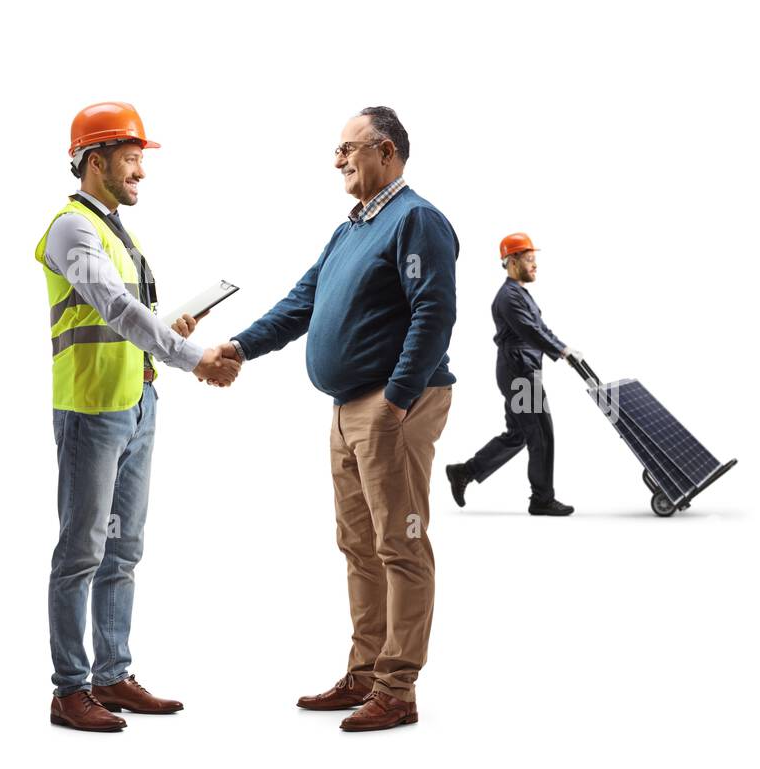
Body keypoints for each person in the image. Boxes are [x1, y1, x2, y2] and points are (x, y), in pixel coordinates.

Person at [221, 107, 458, 732]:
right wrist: (239, 347)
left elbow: (434, 313)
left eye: (346, 148)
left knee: (399, 542)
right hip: (350, 406)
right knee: (358, 544)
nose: (337, 160)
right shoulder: (351, 229)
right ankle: (364, 672)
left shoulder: (418, 220)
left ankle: (397, 687)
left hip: (393, 405)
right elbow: (303, 300)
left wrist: (398, 399)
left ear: (384, 150)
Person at [39, 102, 238, 732]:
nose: (140, 173)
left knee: (123, 547)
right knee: (81, 550)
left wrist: (173, 328)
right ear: (95, 161)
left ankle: (112, 675)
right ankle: (70, 690)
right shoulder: (72, 228)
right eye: (131, 159)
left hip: (137, 401)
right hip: (92, 409)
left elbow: (128, 318)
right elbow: (115, 307)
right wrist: (192, 356)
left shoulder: (116, 229)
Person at [445, 234, 578, 515]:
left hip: (522, 370)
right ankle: (542, 499)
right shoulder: (508, 297)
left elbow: (541, 329)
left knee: (518, 434)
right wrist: (562, 352)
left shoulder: (520, 293)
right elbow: (529, 332)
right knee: (540, 434)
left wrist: (564, 349)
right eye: (529, 259)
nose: (535, 265)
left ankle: (464, 472)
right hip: (520, 375)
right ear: (512, 261)